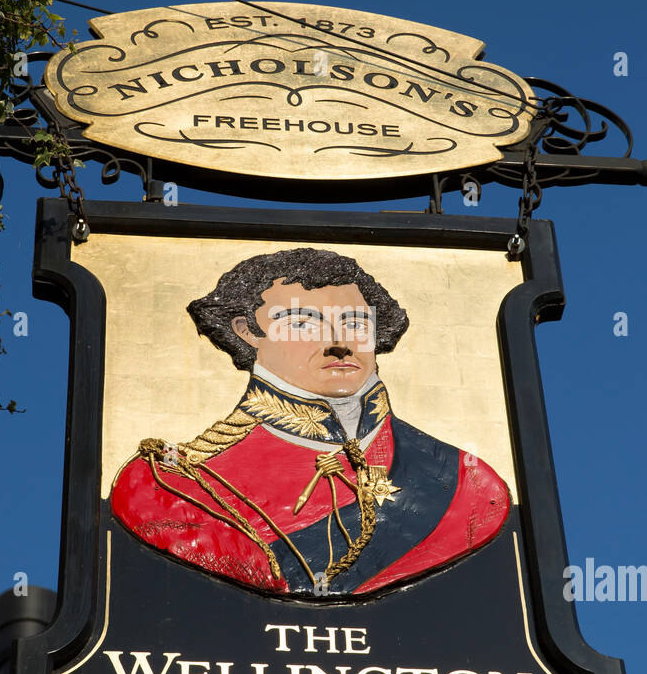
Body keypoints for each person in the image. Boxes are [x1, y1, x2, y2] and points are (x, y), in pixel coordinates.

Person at [110, 247, 510, 597]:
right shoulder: (169, 483)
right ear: (247, 332)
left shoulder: (469, 482)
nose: (338, 343)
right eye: (303, 323)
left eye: (355, 323)